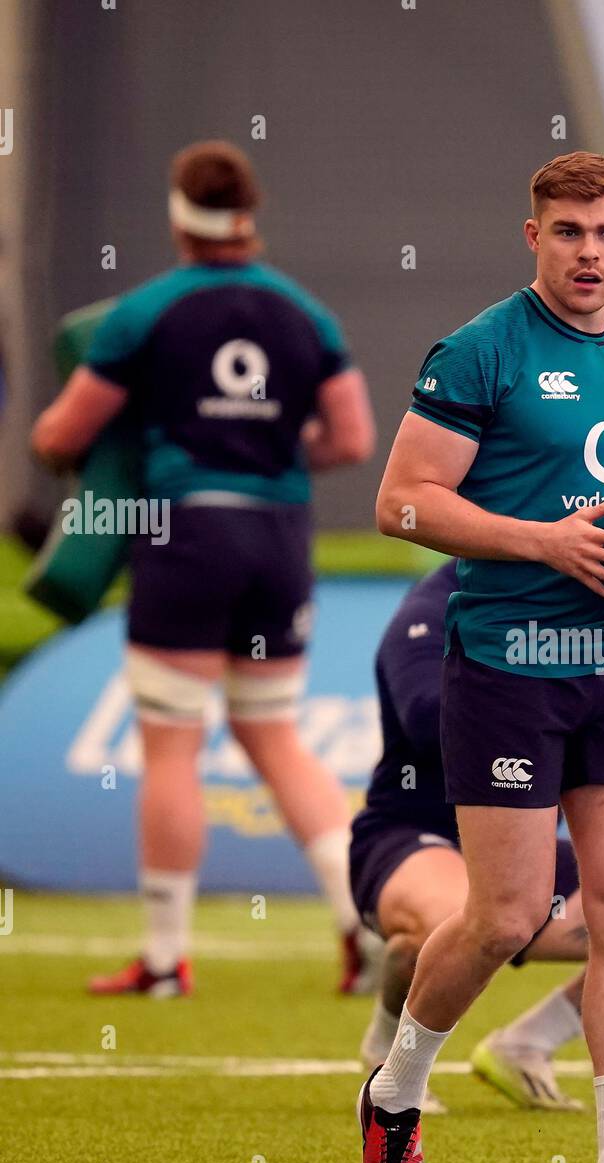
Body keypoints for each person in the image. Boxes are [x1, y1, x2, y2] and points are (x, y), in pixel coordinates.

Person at [365, 150, 604, 1163]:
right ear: (535, 237)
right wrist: (543, 543)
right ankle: (395, 1094)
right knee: (507, 914)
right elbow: (402, 503)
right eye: (568, 233)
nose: (590, 252)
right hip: (509, 668)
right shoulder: (480, 352)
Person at [30, 140, 379, 996]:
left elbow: (56, 438)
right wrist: (262, 439)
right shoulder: (306, 313)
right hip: (278, 538)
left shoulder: (143, 312)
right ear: (250, 215)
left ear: (180, 215)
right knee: (275, 736)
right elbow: (353, 439)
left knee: (173, 747)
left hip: (185, 535)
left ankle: (162, 959)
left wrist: (142, 436)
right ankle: (362, 926)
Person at [350, 559, 604, 1114]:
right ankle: (390, 1048)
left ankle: (525, 1045)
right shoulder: (434, 607)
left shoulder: (593, 610)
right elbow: (427, 720)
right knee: (462, 915)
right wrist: (541, 691)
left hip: (523, 845)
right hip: (412, 835)